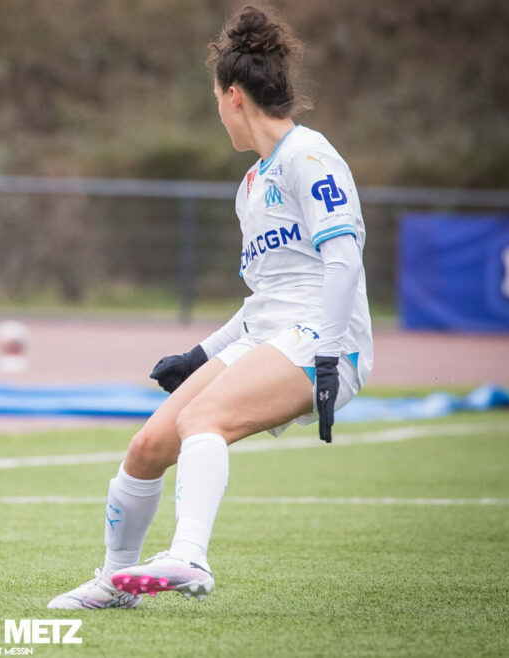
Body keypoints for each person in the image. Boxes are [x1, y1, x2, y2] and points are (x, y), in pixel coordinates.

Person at [49, 4, 372, 609]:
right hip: (269, 336)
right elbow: (262, 303)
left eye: (216, 101)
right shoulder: (251, 186)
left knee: (204, 420)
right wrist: (201, 354)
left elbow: (344, 259)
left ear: (233, 97)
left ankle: (190, 557)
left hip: (324, 340)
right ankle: (116, 582)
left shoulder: (309, 156)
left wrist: (330, 353)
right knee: (148, 446)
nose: (217, 113)